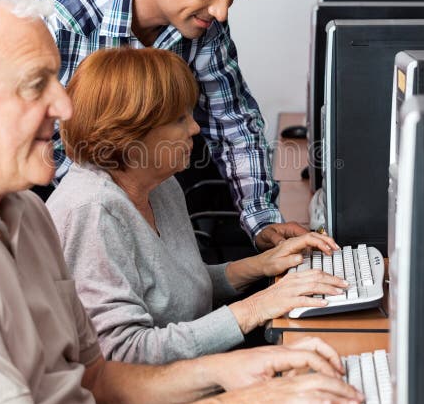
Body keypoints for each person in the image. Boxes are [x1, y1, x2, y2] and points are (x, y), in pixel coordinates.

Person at [0, 0, 363, 404]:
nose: (65, 106)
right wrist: (240, 400)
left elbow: (94, 376)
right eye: (36, 84)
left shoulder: (23, 209)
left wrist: (225, 371)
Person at [22, 0, 309, 251]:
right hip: (51, 202)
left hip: (132, 192)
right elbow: (14, 137)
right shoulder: (56, 13)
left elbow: (234, 123)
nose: (221, 11)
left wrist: (262, 221)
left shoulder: (203, 22)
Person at [47, 47, 350, 365]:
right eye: (180, 119)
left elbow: (178, 292)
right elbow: (124, 355)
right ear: (130, 134)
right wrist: (255, 307)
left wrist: (263, 264)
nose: (195, 128)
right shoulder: (92, 213)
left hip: (195, 369)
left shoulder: (159, 184)